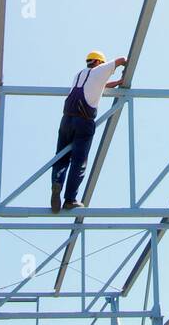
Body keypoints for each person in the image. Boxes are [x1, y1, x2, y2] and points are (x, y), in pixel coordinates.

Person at [51, 51, 126, 212]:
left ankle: (56, 183)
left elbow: (99, 86)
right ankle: (70, 199)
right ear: (99, 62)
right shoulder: (100, 70)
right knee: (79, 161)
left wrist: (117, 82)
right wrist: (127, 65)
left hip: (66, 121)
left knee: (62, 158)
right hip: (83, 122)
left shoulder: (78, 75)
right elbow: (121, 60)